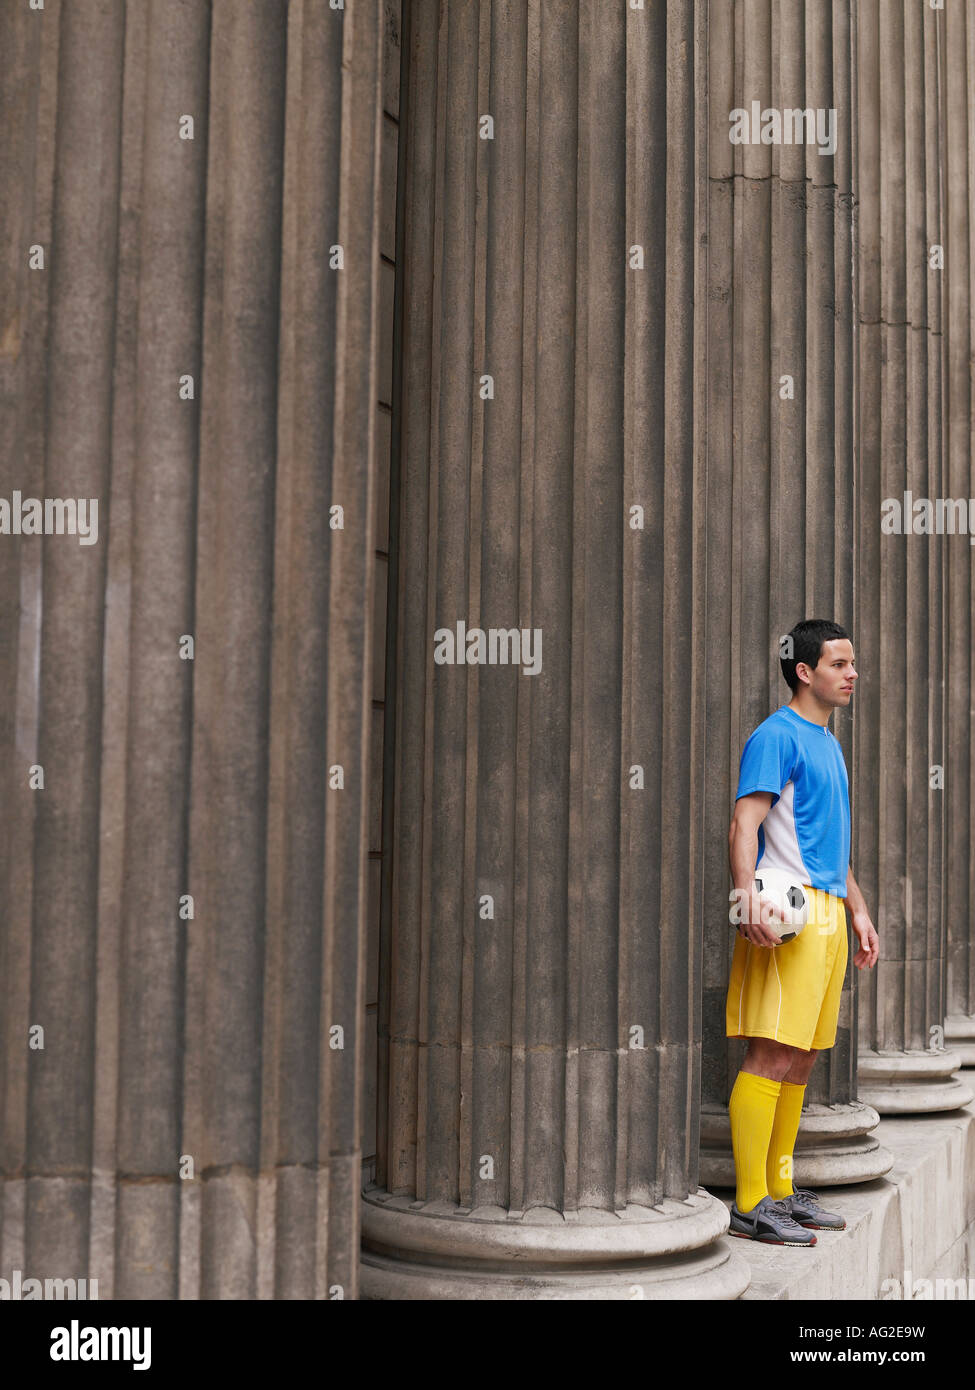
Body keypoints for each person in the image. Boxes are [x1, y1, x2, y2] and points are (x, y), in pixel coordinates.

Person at [725, 619, 879, 1245]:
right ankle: (748, 1202)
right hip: (786, 913)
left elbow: (832, 845)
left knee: (804, 1057)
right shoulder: (776, 735)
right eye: (840, 663)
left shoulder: (828, 743)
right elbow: (744, 823)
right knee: (770, 1053)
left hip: (829, 912)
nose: (852, 673)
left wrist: (859, 910)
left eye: (853, 662)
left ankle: (781, 1192)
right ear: (804, 672)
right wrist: (745, 900)